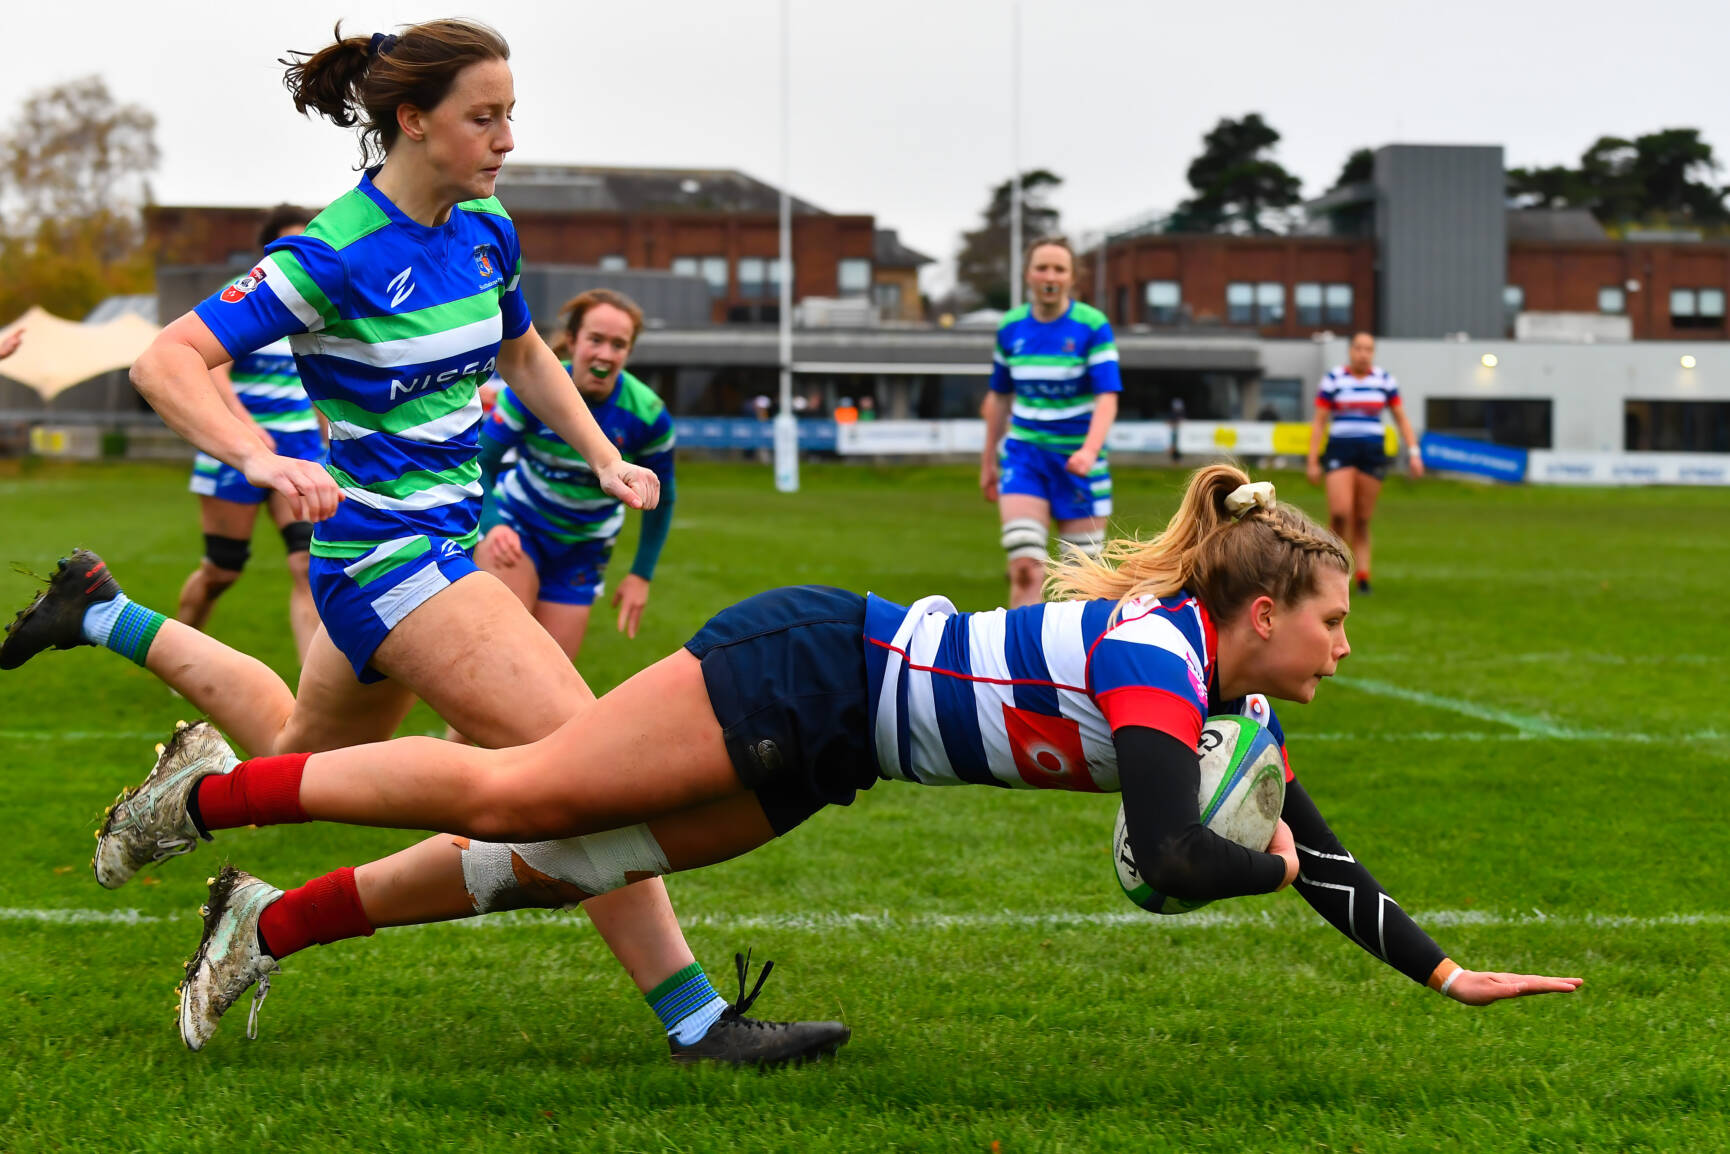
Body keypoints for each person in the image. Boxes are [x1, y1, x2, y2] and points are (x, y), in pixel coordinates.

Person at [2, 18, 842, 1066]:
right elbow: (168, 361)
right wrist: (259, 455)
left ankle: (100, 611)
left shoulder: (485, 228)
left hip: (427, 552)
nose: (505, 139)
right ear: (413, 121)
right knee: (589, 768)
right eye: (482, 117)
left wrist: (596, 454)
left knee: (294, 754)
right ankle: (695, 1019)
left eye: (510, 115)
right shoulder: (333, 252)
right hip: (396, 561)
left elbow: (526, 351)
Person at [90, 464, 1580, 1048]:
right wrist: (1236, 864)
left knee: (561, 865)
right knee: (516, 790)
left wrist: (1442, 971)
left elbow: (1294, 846)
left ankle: (261, 921)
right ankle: (200, 800)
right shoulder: (1152, 661)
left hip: (835, 745)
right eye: (1329, 623)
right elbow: (1179, 857)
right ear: (1261, 611)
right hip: (812, 663)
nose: (1342, 645)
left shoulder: (1219, 703)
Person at [474, 289, 674, 662]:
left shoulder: (648, 415)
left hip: (583, 550)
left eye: (619, 345)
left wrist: (641, 575)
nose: (605, 354)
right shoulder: (532, 391)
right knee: (499, 663)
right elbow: (480, 462)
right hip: (518, 531)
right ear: (573, 340)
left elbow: (663, 499)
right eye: (595, 340)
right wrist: (494, 523)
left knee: (550, 676)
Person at [179, 204, 324, 662]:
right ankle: (176, 652)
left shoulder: (325, 305)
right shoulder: (252, 300)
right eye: (291, 242)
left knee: (306, 565)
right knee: (222, 571)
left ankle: (310, 690)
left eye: (310, 240)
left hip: (300, 450)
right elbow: (212, 368)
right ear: (270, 249)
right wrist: (245, 424)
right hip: (236, 449)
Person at [980, 236, 1120, 609]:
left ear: (1072, 278)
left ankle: (1069, 665)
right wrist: (987, 463)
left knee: (1081, 585)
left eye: (1060, 269)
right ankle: (1015, 664)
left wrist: (1090, 451)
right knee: (1025, 567)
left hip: (1078, 463)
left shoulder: (1092, 326)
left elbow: (1107, 396)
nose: (1050, 275)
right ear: (1028, 274)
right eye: (1042, 266)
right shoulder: (1010, 328)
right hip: (1024, 457)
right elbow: (998, 397)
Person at [1305, 332, 1424, 594]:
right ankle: (1331, 570)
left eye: (1368, 349)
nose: (1363, 353)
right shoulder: (1334, 379)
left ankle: (1363, 576)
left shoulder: (1384, 380)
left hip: (1371, 452)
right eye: (1358, 348)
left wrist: (1414, 453)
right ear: (1350, 351)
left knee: (1361, 519)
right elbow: (1319, 422)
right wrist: (1312, 460)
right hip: (1341, 449)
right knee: (1340, 512)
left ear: (1373, 353)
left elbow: (1401, 419)